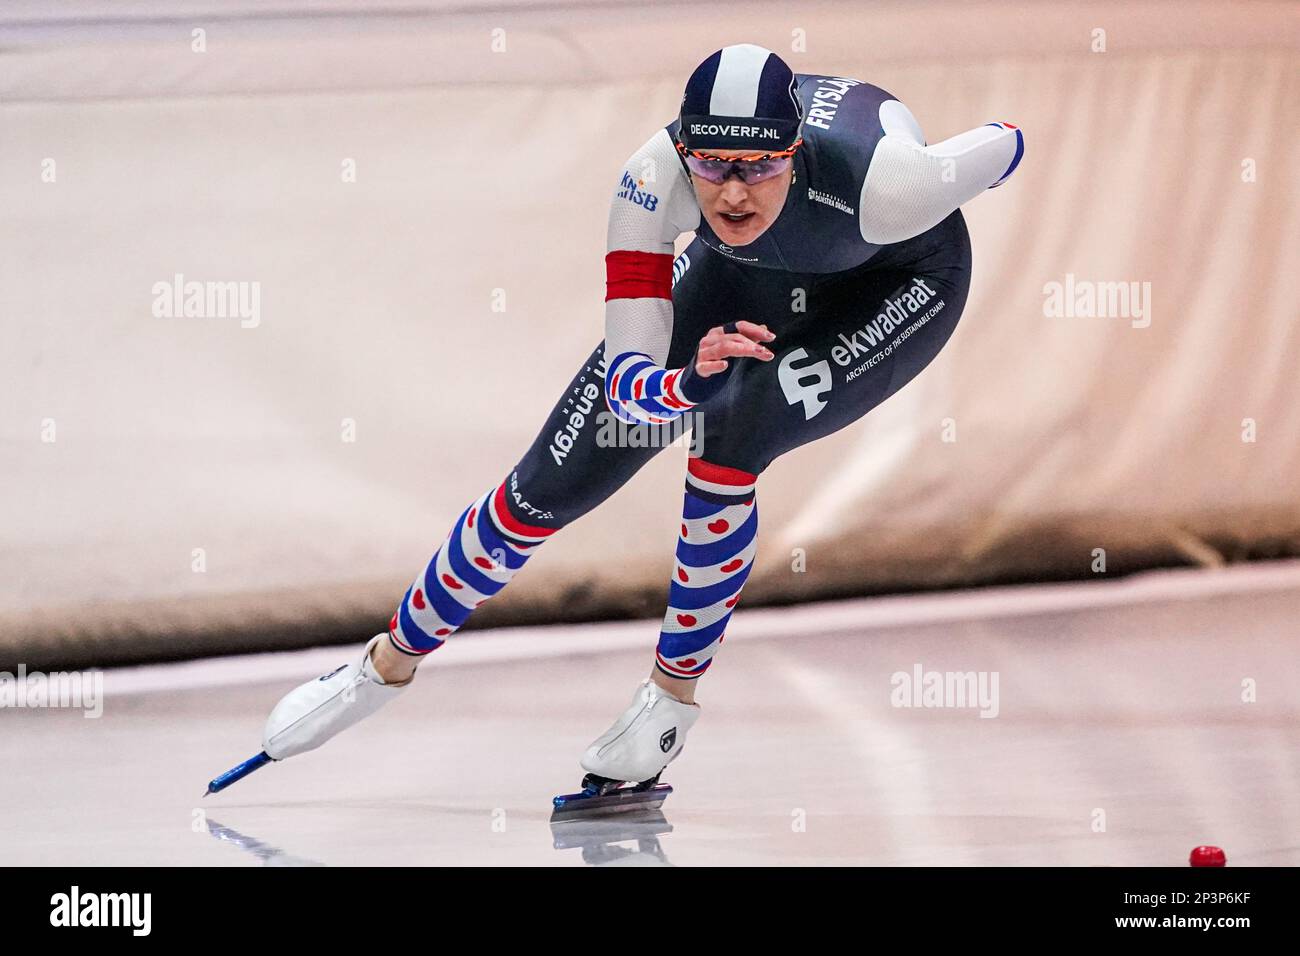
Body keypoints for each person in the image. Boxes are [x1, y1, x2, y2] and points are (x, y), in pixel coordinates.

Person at [257, 43, 1024, 791]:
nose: (732, 194)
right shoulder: (651, 180)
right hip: (742, 277)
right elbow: (630, 387)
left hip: (898, 279)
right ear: (683, 154)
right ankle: (385, 664)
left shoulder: (892, 187)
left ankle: (668, 704)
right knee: (545, 485)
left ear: (795, 153)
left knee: (739, 427)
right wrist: (690, 380)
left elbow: (1007, 141)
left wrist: (948, 160)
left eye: (760, 167)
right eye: (714, 166)